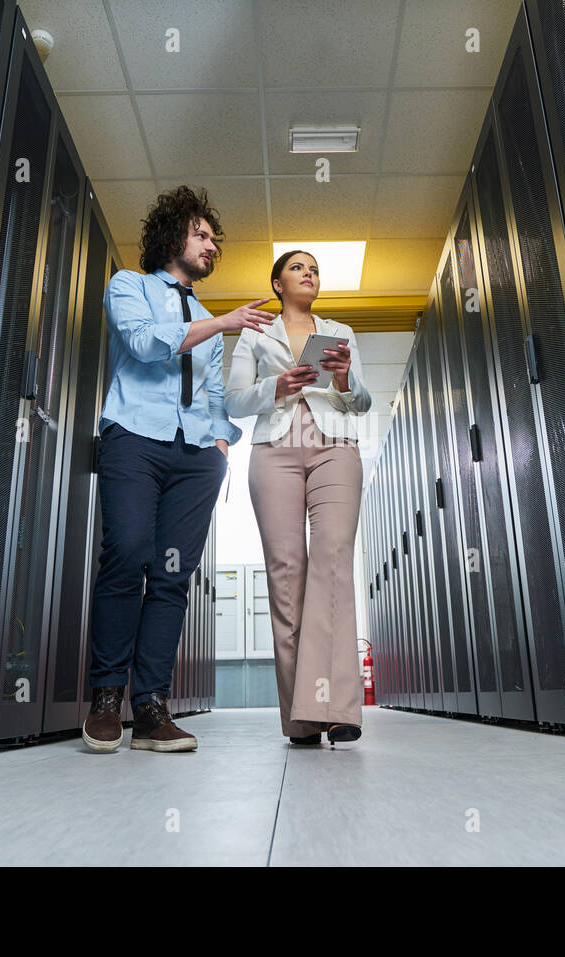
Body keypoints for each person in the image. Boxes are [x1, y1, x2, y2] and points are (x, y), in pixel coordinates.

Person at [83, 185, 274, 753]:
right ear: (172, 236)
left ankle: (151, 707)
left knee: (172, 579)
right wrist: (221, 325)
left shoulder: (211, 321)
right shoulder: (129, 285)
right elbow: (143, 345)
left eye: (214, 239)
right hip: (134, 440)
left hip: (195, 457)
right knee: (127, 554)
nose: (211, 245)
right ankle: (106, 699)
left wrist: (219, 447)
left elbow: (215, 394)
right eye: (202, 234)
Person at [225, 250, 372, 747]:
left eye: (315, 269)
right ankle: (303, 717)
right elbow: (234, 400)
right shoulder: (254, 333)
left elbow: (363, 402)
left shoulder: (340, 333)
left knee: (332, 561)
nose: (309, 274)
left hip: (334, 447)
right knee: (287, 574)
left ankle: (337, 707)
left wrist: (345, 378)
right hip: (275, 452)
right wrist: (277, 386)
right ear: (277, 282)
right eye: (298, 268)